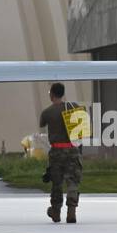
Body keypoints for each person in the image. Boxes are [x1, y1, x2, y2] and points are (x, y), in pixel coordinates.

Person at [38, 82, 82, 224]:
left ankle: (56, 212)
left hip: (56, 151)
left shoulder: (47, 112)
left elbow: (42, 124)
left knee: (56, 183)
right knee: (72, 181)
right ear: (62, 93)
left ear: (51, 94)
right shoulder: (74, 108)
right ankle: (71, 211)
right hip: (72, 150)